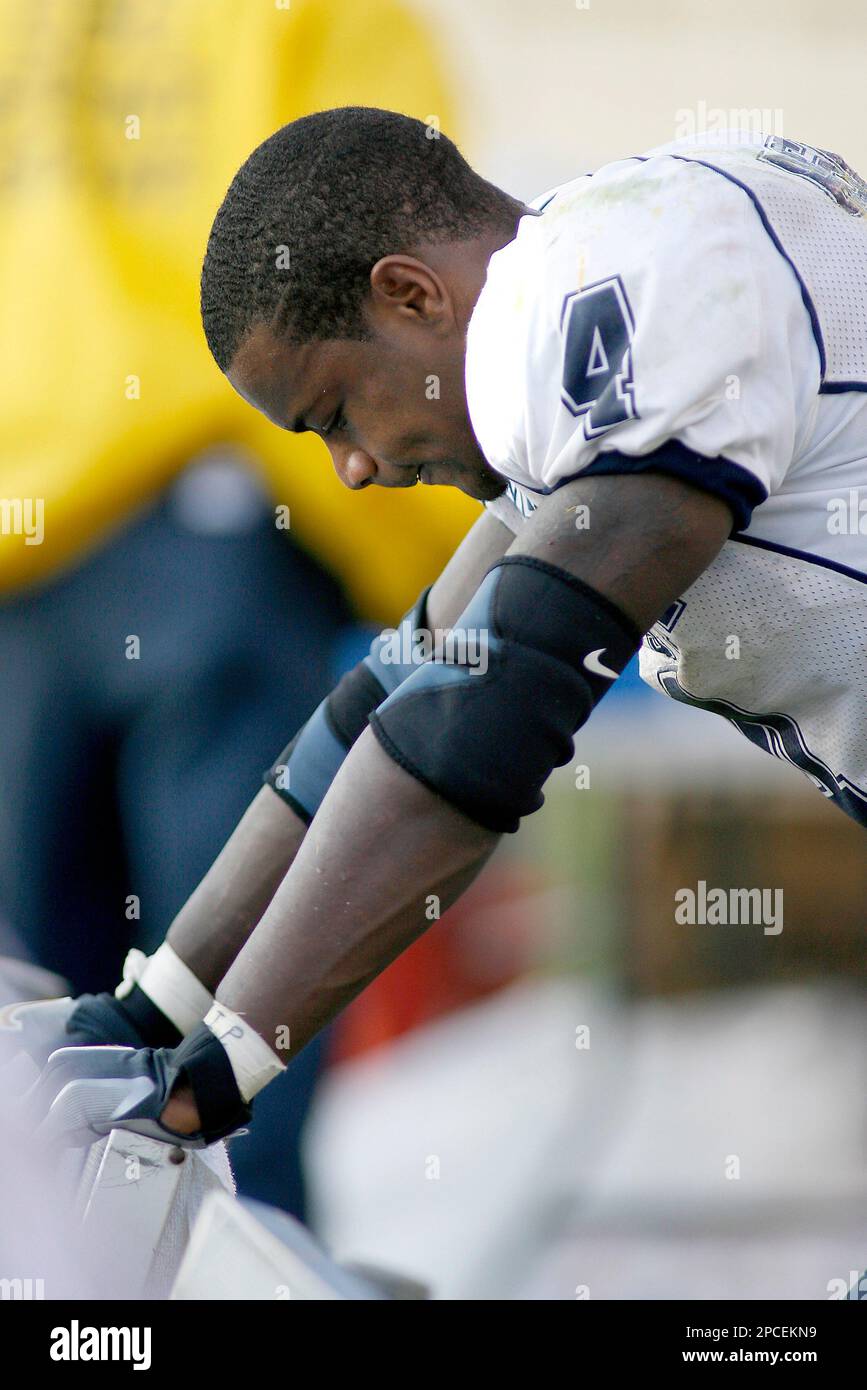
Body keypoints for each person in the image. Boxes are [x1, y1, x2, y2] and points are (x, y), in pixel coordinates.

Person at [11, 109, 867, 1151]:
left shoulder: (618, 286)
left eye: (335, 413)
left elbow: (479, 727)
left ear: (411, 294)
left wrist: (214, 1079)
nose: (355, 469)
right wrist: (153, 1010)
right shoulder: (585, 277)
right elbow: (392, 694)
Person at [0, 6, 473, 1217]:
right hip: (210, 506)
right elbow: (403, 226)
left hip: (29, 516)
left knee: (42, 1028)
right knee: (230, 1029)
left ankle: (76, 1310)